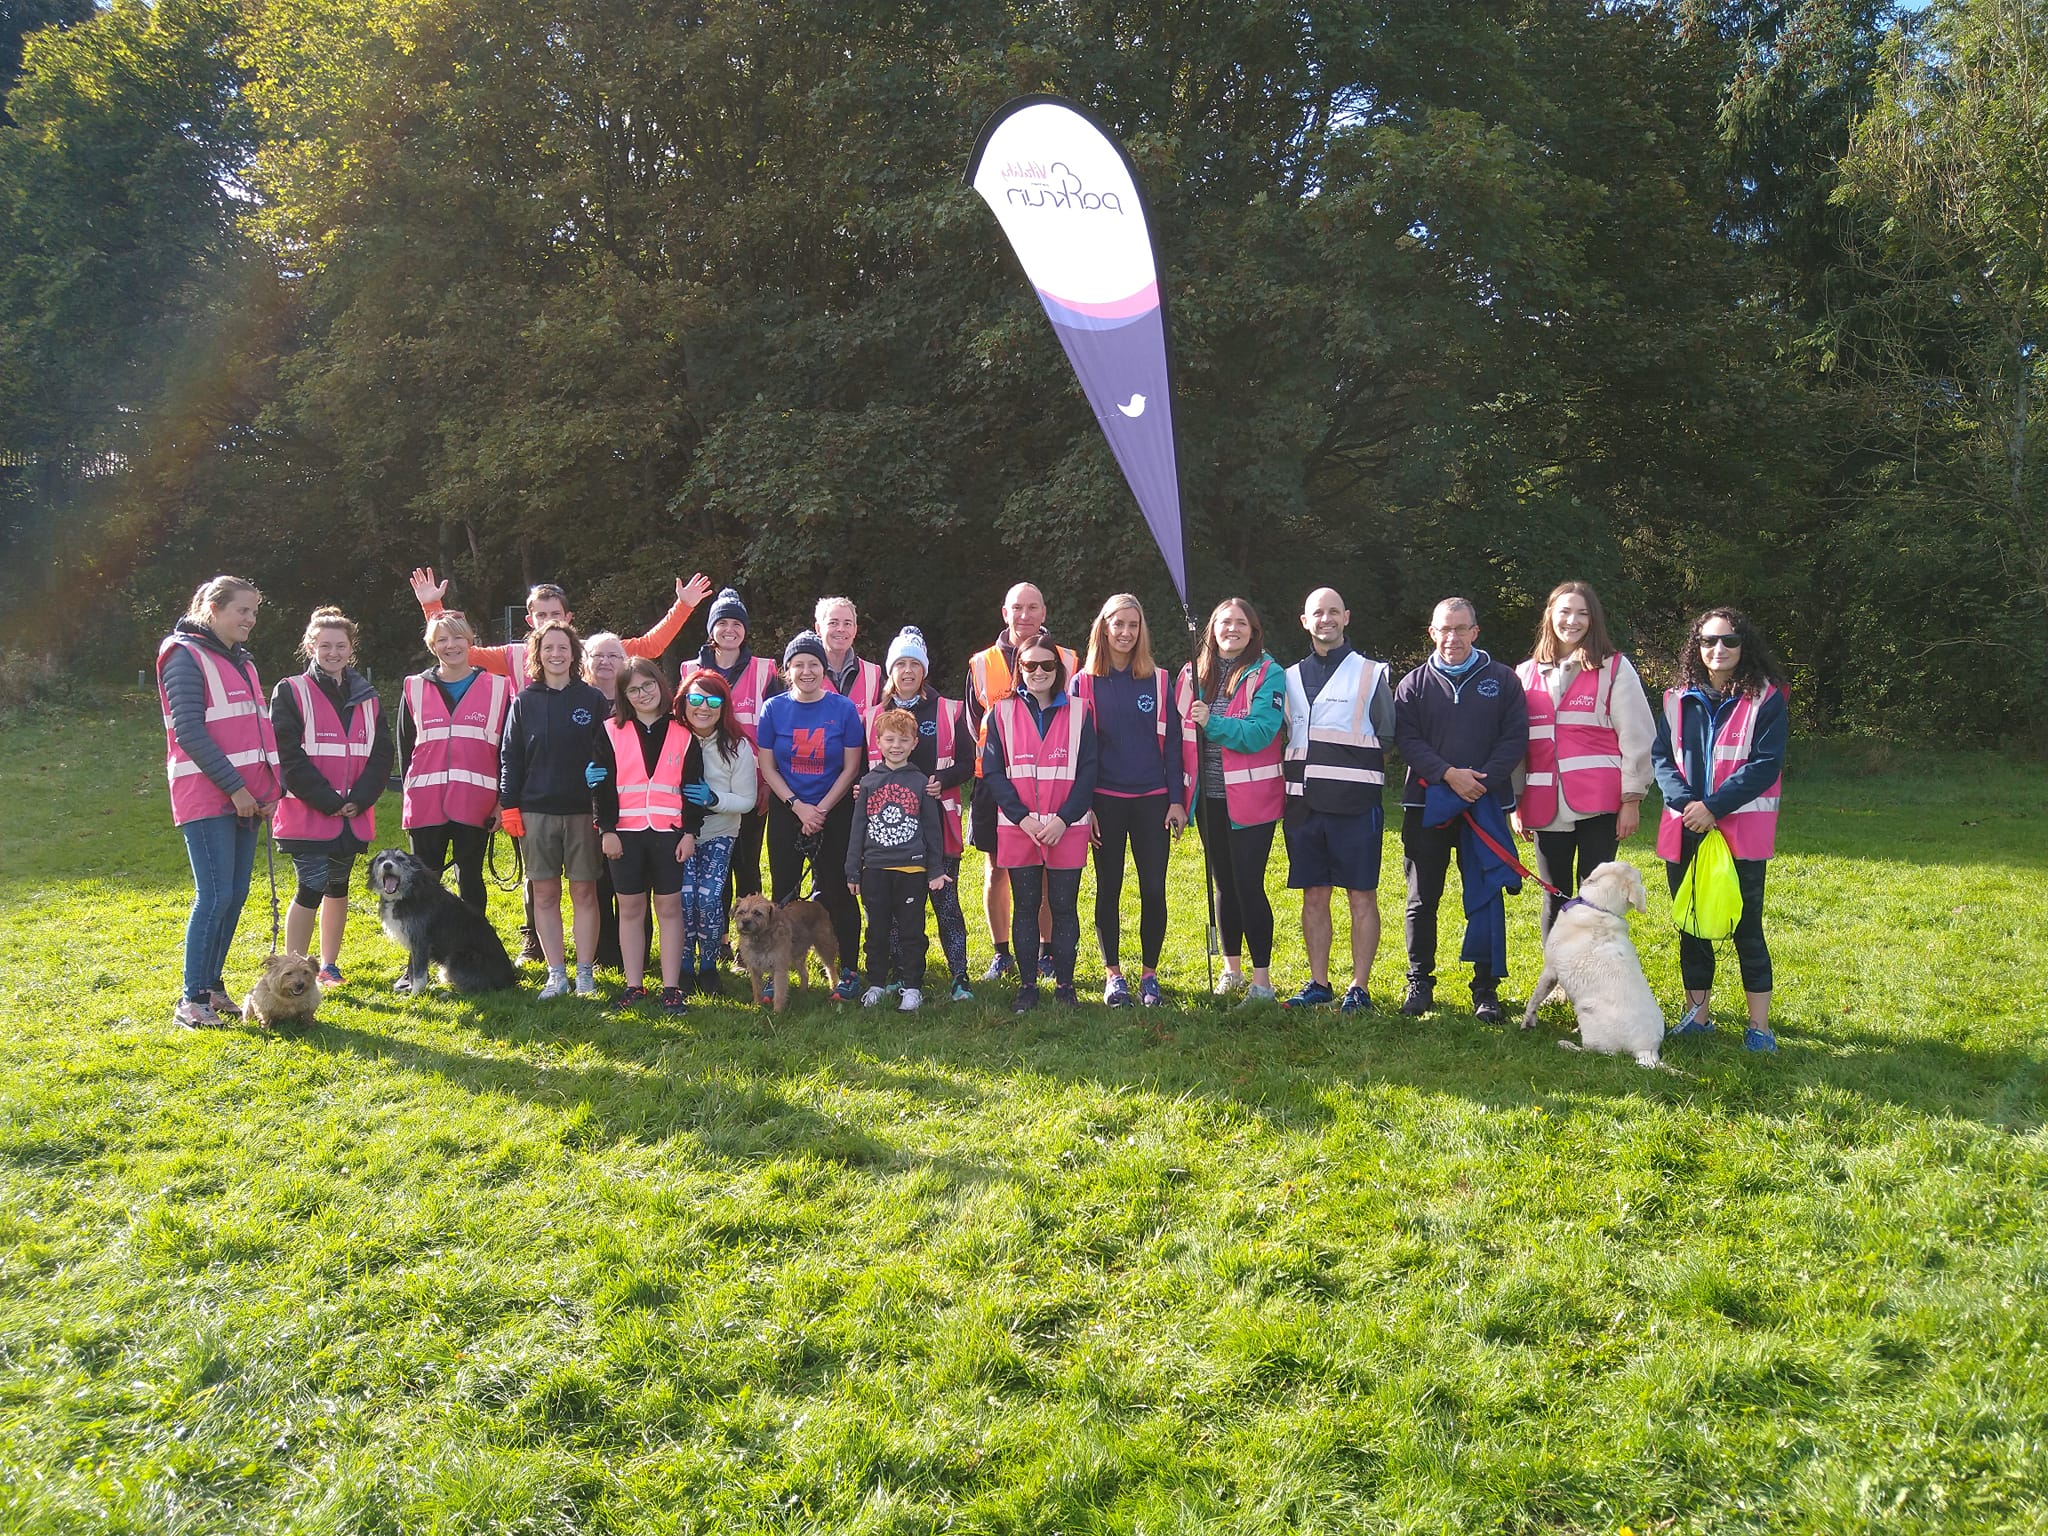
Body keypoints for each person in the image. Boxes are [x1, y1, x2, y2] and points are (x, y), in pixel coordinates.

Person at [1651, 607, 1789, 1052]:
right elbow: (1662, 759)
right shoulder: (1676, 698)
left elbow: (1765, 765)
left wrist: (1712, 808)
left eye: (1729, 641)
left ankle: (1759, 1028)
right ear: (1697, 647)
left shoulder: (1766, 698)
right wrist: (1689, 806)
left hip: (1740, 833)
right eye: (1709, 641)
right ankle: (1698, 1017)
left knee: (1747, 929)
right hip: (1685, 828)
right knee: (1691, 925)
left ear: (1743, 646)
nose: (1719, 649)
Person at [1392, 598, 1530, 1021]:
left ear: (1475, 632)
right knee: (1422, 898)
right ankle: (1420, 980)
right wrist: (1449, 775)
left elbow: (1515, 738)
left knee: (1486, 895)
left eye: (1460, 629)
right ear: (1432, 632)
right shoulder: (1413, 684)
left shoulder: (1503, 680)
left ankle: (1486, 989)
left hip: (1483, 803)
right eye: (1444, 629)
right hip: (1427, 803)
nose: (1452, 637)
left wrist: (1480, 780)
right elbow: (1408, 741)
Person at [157, 575, 282, 1029]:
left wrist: (268, 792)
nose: (251, 620)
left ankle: (211, 987)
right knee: (214, 896)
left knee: (235, 895)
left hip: (248, 799)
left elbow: (258, 735)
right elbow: (189, 731)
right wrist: (235, 787)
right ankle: (191, 1000)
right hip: (209, 795)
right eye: (242, 611)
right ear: (212, 608)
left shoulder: (242, 662)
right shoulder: (183, 656)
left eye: (254, 612)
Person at [1511, 582, 1655, 937]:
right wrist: (1515, 802)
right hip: (1543, 804)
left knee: (1597, 899)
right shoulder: (1524, 673)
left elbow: (1638, 737)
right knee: (1554, 897)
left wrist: (1632, 799)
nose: (1571, 621)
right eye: (1564, 611)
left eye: (1581, 613)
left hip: (1601, 804)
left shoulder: (1615, 669)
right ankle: (1558, 981)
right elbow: (1515, 744)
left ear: (1594, 619)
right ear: (1550, 616)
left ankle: (1598, 976)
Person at [1279, 588, 1394, 1012]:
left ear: (1346, 617)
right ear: (1304, 621)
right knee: (1314, 896)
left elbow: (1387, 734)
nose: (1325, 619)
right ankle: (1319, 983)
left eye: (1333, 612)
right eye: (1317, 613)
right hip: (1303, 806)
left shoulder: (1370, 672)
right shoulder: (1287, 677)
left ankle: (1359, 987)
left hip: (1355, 805)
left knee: (1361, 896)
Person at [1073, 594, 1186, 1007]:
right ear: (1103, 628)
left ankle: (1150, 975)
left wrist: (1176, 800)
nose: (1125, 632)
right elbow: (1077, 753)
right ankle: (1114, 975)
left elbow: (1172, 744)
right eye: (1117, 624)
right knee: (1109, 887)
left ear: (1142, 632)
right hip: (1105, 801)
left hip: (1153, 799)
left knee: (1154, 888)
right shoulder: (1083, 682)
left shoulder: (1158, 680)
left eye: (1133, 625)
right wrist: (1083, 806)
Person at [270, 606, 393, 987]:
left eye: (341, 645)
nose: (333, 652)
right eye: (325, 645)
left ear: (351, 649)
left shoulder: (368, 696)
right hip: (308, 812)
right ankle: (292, 971)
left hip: (353, 812)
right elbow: (287, 755)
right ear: (311, 646)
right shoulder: (290, 690)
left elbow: (381, 753)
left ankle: (328, 966)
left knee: (338, 885)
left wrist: (363, 796)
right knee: (311, 885)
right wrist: (327, 800)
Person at [965, 583, 1077, 981]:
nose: (1025, 615)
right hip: (995, 784)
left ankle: (1046, 951)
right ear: (1004, 613)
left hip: (1052, 780)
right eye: (1017, 608)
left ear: (1044, 612)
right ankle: (1001, 952)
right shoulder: (981, 663)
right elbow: (971, 728)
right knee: (997, 868)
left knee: (1047, 868)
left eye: (1032, 608)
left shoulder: (1068, 659)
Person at [981, 632, 1097, 1013]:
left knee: (1064, 907)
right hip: (1020, 828)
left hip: (1067, 827)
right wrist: (1023, 819)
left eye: (1047, 665)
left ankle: (1065, 986)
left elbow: (1088, 772)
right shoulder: (1000, 712)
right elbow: (994, 774)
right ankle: (1027, 987)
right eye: (1029, 665)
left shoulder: (1081, 712)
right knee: (1026, 907)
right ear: (1019, 669)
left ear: (1058, 670)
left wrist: (1064, 819)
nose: (1038, 671)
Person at [1180, 598, 1287, 1004]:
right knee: (1223, 883)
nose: (1233, 629)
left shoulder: (1267, 673)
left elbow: (1261, 732)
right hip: (1208, 799)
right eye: (1225, 622)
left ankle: (1262, 982)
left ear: (1253, 631)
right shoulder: (1192, 673)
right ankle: (1232, 969)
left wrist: (1213, 722)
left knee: (1248, 884)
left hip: (1252, 800)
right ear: (1212, 629)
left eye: (1241, 623)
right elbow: (1180, 736)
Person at [866, 627, 975, 1001]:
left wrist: (941, 779)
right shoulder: (874, 716)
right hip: (889, 831)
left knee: (946, 902)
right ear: (891, 670)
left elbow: (967, 763)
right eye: (901, 664)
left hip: (938, 824)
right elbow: (867, 768)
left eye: (915, 664)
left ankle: (960, 976)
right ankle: (900, 972)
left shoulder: (948, 710)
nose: (908, 671)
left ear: (924, 670)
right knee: (895, 908)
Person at [499, 621, 608, 998]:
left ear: (574, 654)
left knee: (585, 893)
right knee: (544, 894)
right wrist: (509, 805)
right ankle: (556, 973)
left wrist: (604, 805)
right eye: (549, 648)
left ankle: (584, 974)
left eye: (563, 648)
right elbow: (510, 758)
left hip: (582, 811)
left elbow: (608, 756)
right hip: (536, 812)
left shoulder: (593, 700)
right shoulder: (524, 701)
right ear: (538, 654)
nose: (556, 654)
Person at [756, 631, 866, 1000]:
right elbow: (768, 767)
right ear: (788, 670)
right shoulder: (773, 709)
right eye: (799, 664)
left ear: (824, 669)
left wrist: (821, 809)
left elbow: (852, 767)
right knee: (784, 894)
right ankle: (777, 969)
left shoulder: (843, 709)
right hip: (789, 810)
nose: (807, 671)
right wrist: (797, 806)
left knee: (839, 890)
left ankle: (848, 968)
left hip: (833, 810)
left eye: (814, 664)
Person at [590, 659, 696, 1013]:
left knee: (668, 908)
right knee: (630, 908)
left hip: (669, 835)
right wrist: (606, 830)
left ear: (660, 686)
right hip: (625, 835)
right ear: (624, 696)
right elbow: (601, 786)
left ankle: (670, 987)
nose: (642, 693)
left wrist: (690, 833)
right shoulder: (610, 731)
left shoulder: (684, 732)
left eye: (648, 685)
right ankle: (634, 984)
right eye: (633, 689)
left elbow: (693, 786)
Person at [398, 610, 509, 922]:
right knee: (419, 886)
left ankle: (474, 958)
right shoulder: (414, 687)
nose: (451, 645)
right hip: (425, 804)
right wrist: (409, 796)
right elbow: (405, 748)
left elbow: (507, 752)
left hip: (476, 804)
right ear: (432, 646)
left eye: (458, 637)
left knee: (470, 881)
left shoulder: (499, 690)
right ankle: (417, 965)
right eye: (442, 639)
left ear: (471, 641)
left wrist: (502, 802)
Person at [845, 707, 951, 1012]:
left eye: (903, 740)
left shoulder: (921, 783)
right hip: (875, 869)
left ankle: (912, 986)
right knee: (876, 930)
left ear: (914, 743)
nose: (896, 745)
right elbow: (858, 827)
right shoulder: (867, 783)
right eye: (889, 739)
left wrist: (934, 869)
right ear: (878, 741)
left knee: (911, 931)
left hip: (912, 869)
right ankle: (876, 983)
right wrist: (853, 871)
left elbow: (932, 829)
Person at [691, 587, 781, 910]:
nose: (730, 630)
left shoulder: (764, 670)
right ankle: (721, 940)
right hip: (704, 783)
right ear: (711, 629)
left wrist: (769, 783)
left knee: (747, 863)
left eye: (737, 624)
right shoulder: (690, 671)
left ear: (745, 631)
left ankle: (750, 943)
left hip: (751, 783)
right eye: (723, 623)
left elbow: (776, 729)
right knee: (712, 868)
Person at [671, 667, 759, 993]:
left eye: (712, 700)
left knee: (708, 899)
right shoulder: (672, 737)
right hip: (678, 834)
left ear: (724, 706)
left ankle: (708, 965)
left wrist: (714, 798)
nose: (703, 707)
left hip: (721, 833)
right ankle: (682, 966)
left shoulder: (737, 746)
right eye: (695, 698)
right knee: (684, 897)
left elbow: (747, 800)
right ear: (683, 702)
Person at [815, 595, 885, 717]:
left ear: (855, 630)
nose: (841, 629)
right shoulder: (804, 674)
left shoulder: (873, 675)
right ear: (818, 628)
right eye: (833, 623)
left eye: (847, 624)